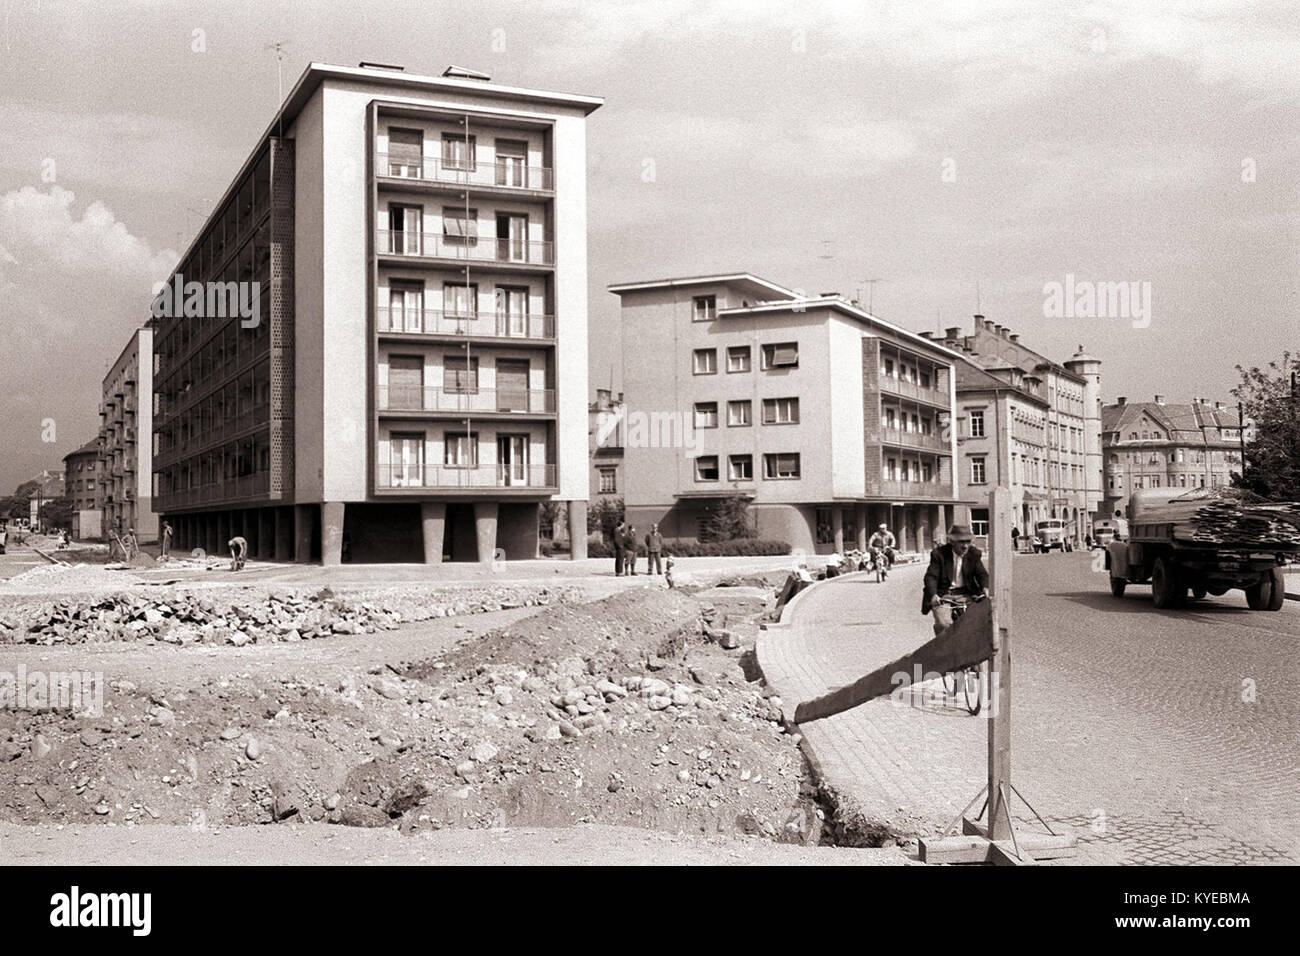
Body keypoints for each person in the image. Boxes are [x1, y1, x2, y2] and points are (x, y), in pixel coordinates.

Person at [922, 524, 989, 637]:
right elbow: (931, 577)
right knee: (944, 624)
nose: (965, 546)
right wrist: (933, 595)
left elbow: (982, 574)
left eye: (968, 542)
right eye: (961, 542)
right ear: (952, 541)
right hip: (943, 595)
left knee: (978, 622)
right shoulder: (939, 554)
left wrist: (985, 587)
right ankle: (944, 649)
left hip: (966, 594)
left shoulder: (974, 553)